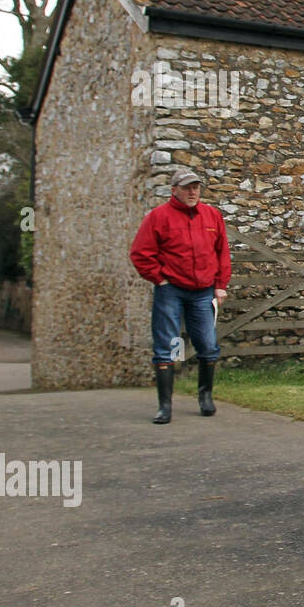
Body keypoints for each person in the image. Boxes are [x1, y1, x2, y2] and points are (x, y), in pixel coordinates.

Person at [129, 170, 230, 424]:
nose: (193, 192)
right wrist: (159, 279)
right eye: (187, 188)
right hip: (171, 290)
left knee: (208, 344)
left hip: (203, 291)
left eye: (196, 187)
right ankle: (165, 406)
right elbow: (141, 253)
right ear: (174, 190)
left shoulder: (212, 215)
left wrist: (220, 285)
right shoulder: (158, 217)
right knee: (167, 347)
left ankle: (205, 397)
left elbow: (222, 252)